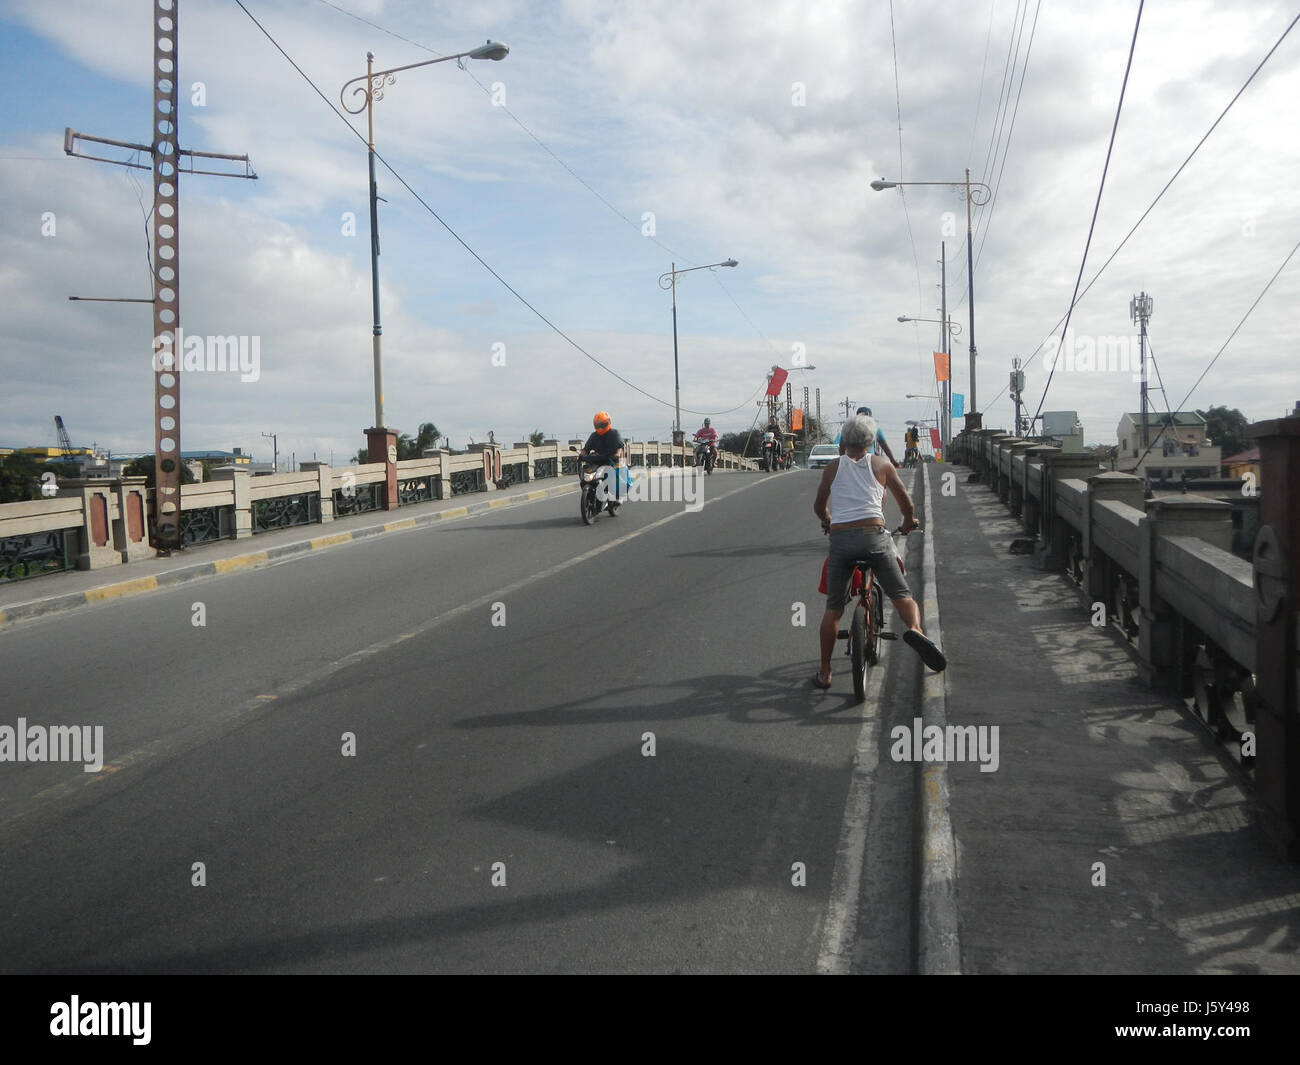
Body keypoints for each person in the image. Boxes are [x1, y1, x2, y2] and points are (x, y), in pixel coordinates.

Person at [811, 413, 946, 688]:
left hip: (841, 541)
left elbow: (819, 505)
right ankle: (916, 630)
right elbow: (906, 506)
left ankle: (825, 672)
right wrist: (909, 523)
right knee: (902, 595)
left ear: (844, 441)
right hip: (874, 537)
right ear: (871, 441)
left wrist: (828, 522)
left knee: (833, 609)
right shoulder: (882, 464)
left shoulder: (833, 467)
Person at [579, 411, 625, 512]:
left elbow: (620, 446)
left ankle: (619, 496)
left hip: (611, 459)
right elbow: (586, 449)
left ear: (608, 423)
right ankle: (592, 494)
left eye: (602, 425)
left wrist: (617, 454)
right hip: (598, 460)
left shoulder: (614, 433)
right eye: (597, 425)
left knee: (618, 473)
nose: (600, 427)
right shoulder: (594, 436)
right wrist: (581, 455)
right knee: (587, 477)